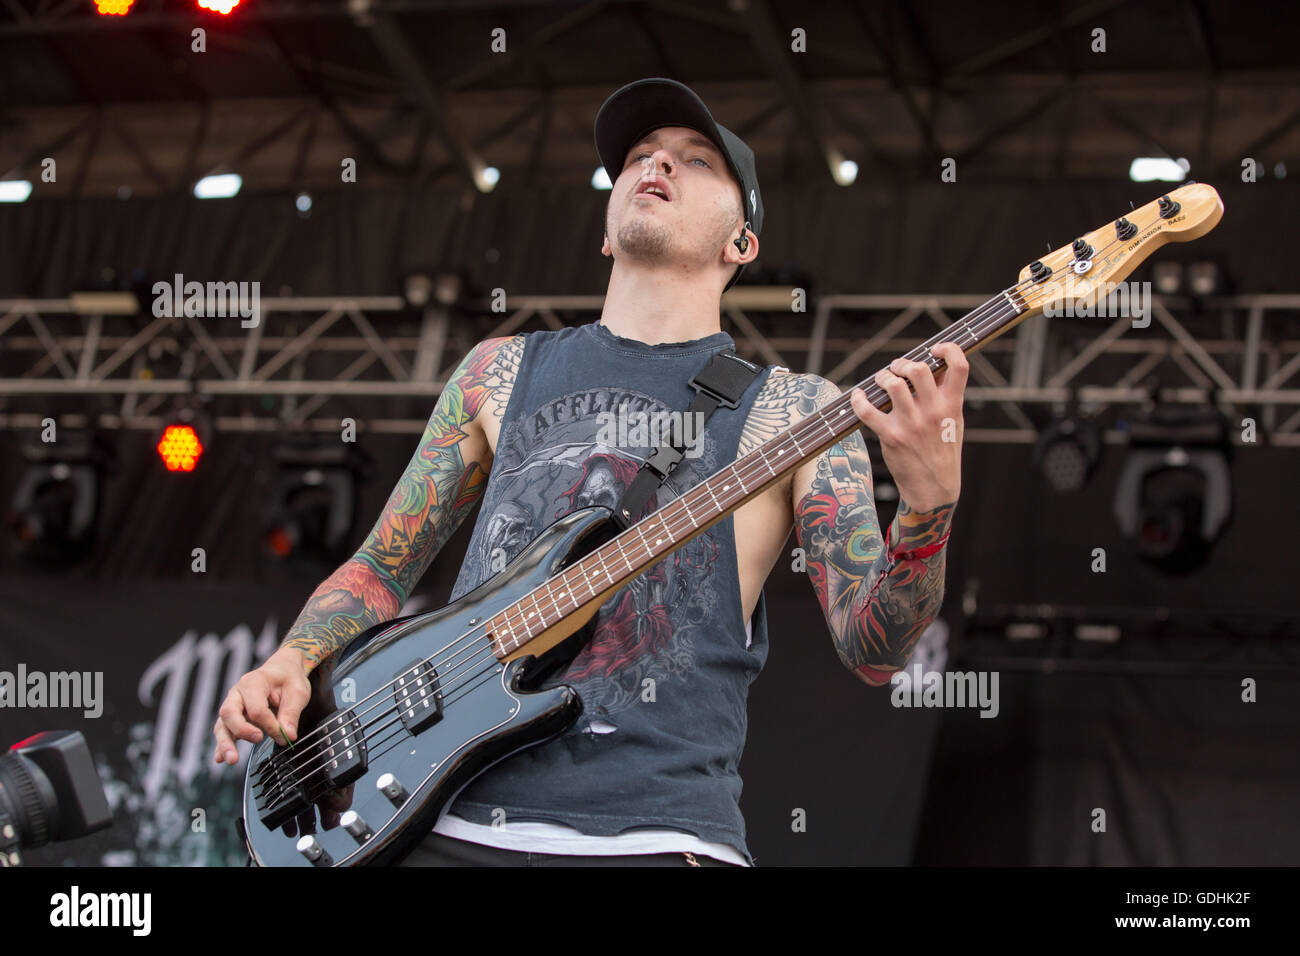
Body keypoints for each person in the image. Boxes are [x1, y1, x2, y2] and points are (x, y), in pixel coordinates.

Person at [212, 77, 969, 867]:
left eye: (696, 161)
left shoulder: (798, 410)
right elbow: (381, 565)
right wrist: (292, 659)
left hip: (660, 836)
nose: (658, 165)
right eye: (640, 156)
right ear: (606, 232)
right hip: (447, 826)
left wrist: (927, 509)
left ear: (741, 243)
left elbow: (875, 648)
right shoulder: (496, 371)